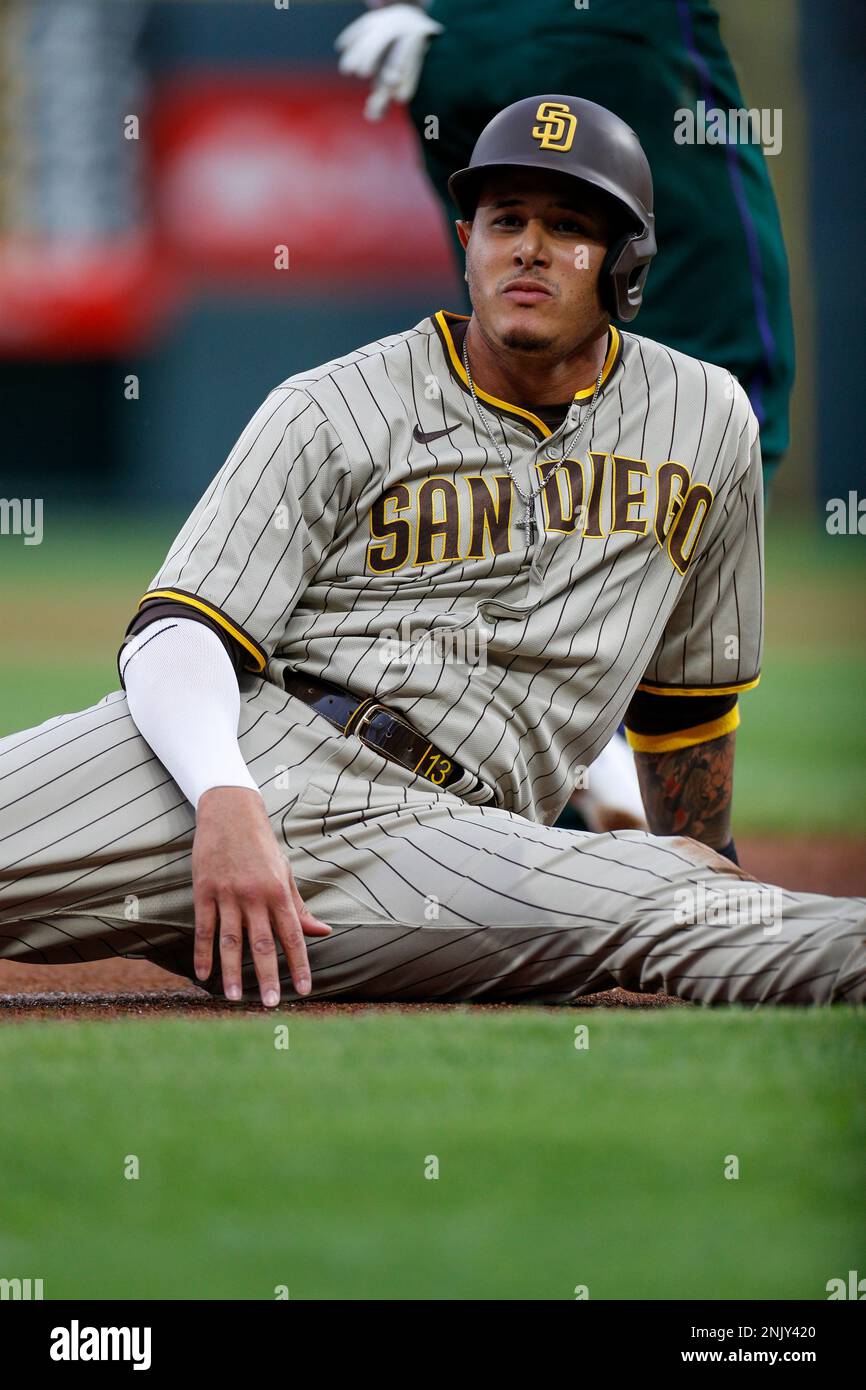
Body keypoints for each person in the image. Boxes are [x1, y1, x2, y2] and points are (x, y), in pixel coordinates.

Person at [1, 97, 861, 1010]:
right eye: (506, 221)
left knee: (672, 905)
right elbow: (178, 634)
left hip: (440, 841)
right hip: (231, 753)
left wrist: (713, 864)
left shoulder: (704, 420)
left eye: (568, 225)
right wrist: (225, 797)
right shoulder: (334, 404)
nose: (529, 247)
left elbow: (689, 700)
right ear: (467, 240)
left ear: (627, 263)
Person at [336, 0, 795, 832]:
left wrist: (442, 27)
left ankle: (565, 775)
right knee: (715, 418)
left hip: (440, 44)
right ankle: (596, 782)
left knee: (535, 403)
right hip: (609, 43)